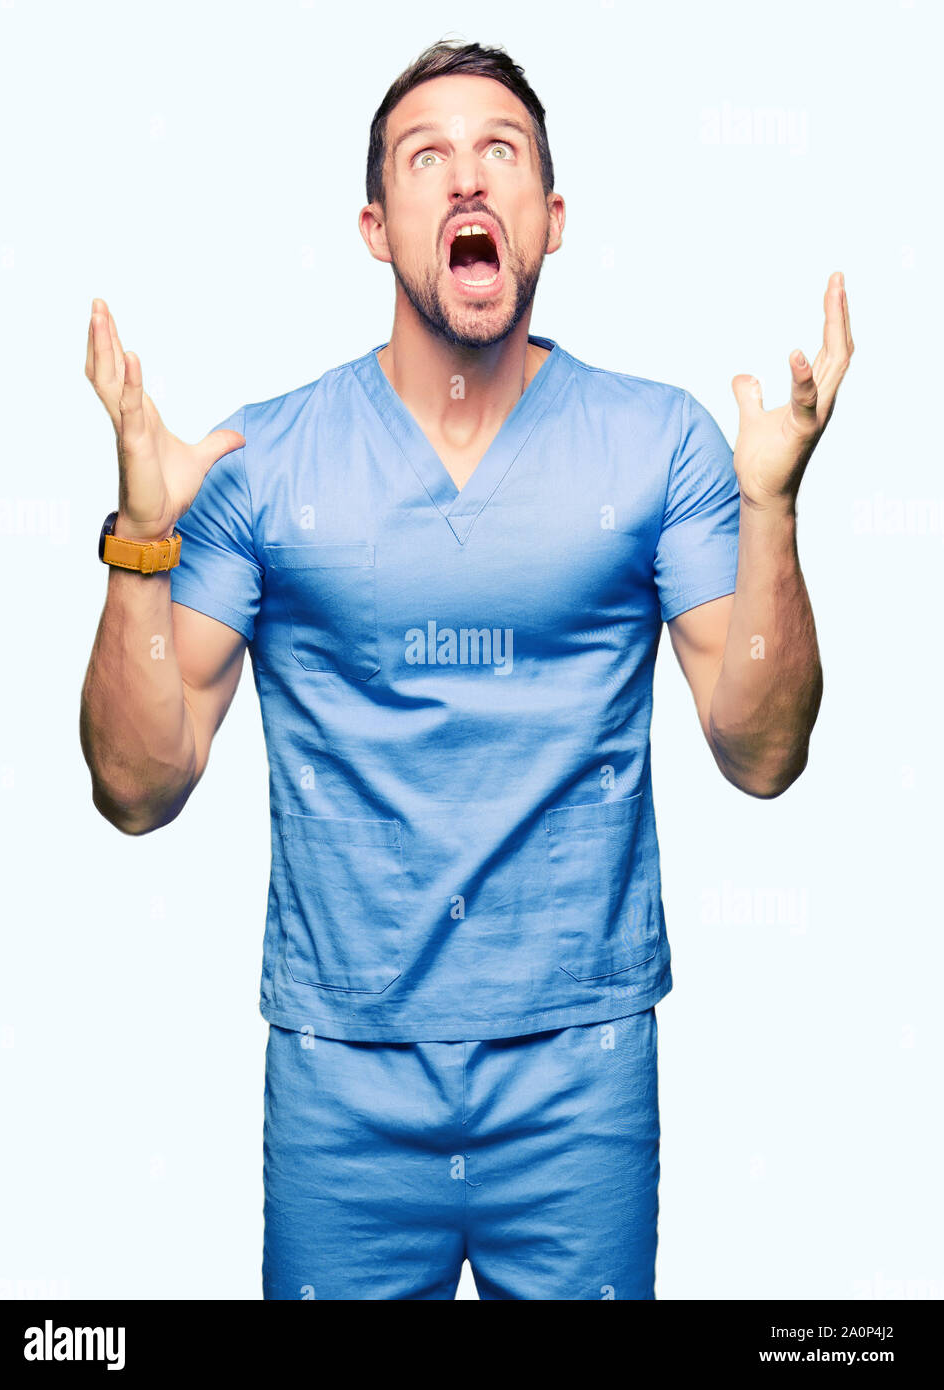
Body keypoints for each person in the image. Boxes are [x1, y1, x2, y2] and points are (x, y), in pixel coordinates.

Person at [79, 39, 853, 1300]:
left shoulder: (660, 446)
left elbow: (762, 754)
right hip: (340, 1073)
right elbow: (135, 785)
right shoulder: (257, 463)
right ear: (379, 228)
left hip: (582, 1069)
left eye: (501, 150)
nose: (467, 180)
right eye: (426, 157)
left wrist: (770, 508)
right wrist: (140, 542)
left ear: (550, 218)